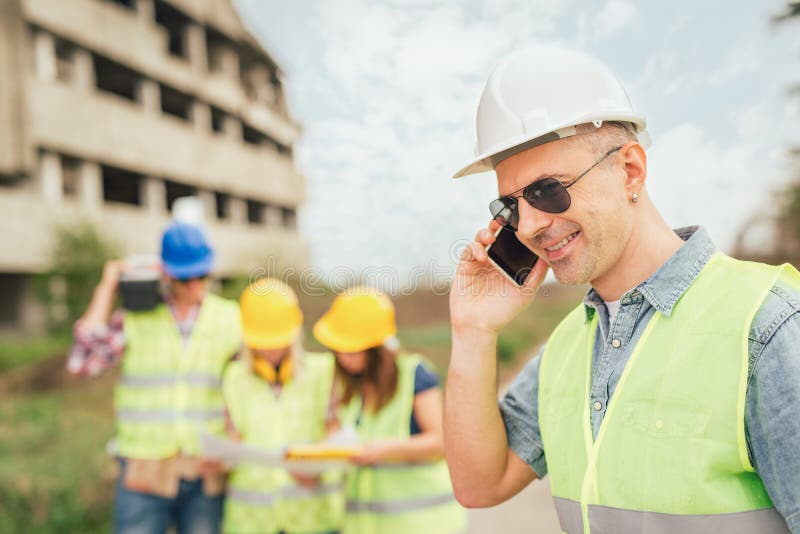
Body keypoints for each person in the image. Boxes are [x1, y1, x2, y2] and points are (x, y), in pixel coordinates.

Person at [444, 46, 800, 534]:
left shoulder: (767, 327)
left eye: (548, 190)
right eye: (510, 205)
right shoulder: (568, 348)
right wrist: (473, 330)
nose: (526, 226)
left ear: (630, 169)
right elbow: (480, 486)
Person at [68, 221, 242, 534]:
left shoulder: (229, 318)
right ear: (166, 274)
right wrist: (107, 288)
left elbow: (246, 393)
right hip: (144, 472)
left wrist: (232, 445)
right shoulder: (137, 317)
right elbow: (83, 363)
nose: (194, 286)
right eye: (184, 278)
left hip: (204, 469)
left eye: (201, 276)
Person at [312, 287, 467, 534]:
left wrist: (382, 449)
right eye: (339, 349)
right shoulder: (352, 386)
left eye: (351, 349)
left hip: (422, 524)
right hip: (366, 526)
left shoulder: (415, 375)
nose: (343, 358)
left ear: (376, 349)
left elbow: (440, 443)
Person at [222, 278, 344, 534]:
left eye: (277, 340)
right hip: (252, 519)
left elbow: (336, 429)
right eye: (263, 342)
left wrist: (317, 467)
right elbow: (232, 433)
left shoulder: (322, 371)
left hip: (311, 516)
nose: (271, 349)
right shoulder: (234, 376)